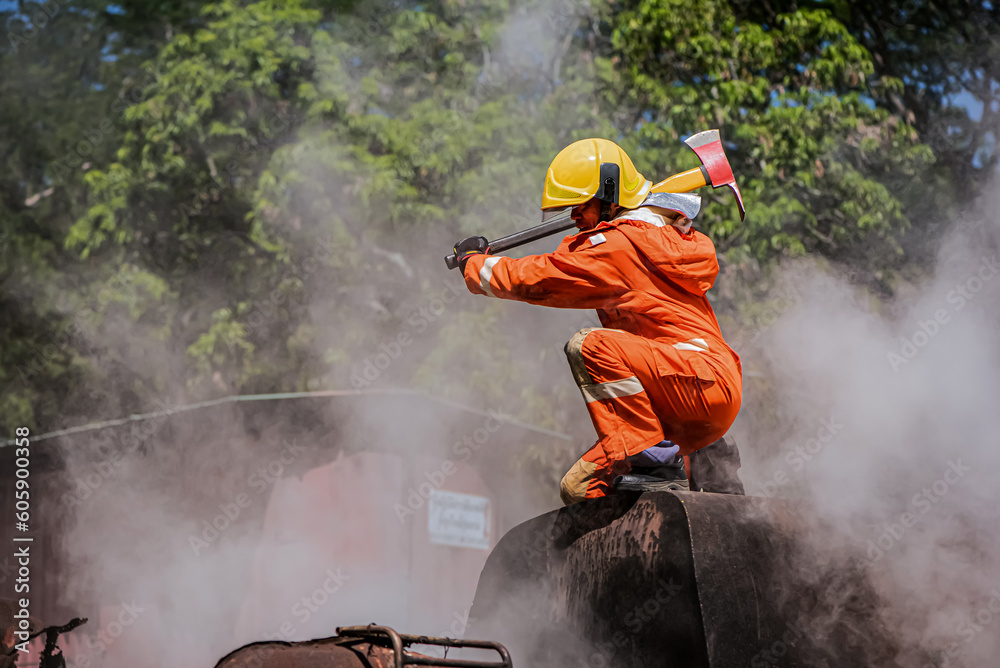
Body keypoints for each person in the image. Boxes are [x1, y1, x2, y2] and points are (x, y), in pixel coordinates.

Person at [452, 138, 743, 504]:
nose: (573, 216)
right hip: (697, 391)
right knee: (579, 488)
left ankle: (658, 467)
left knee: (589, 346)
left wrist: (474, 263)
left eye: (581, 205)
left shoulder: (617, 245)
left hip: (696, 383)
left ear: (610, 195)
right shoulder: (657, 237)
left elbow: (538, 278)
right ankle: (708, 465)